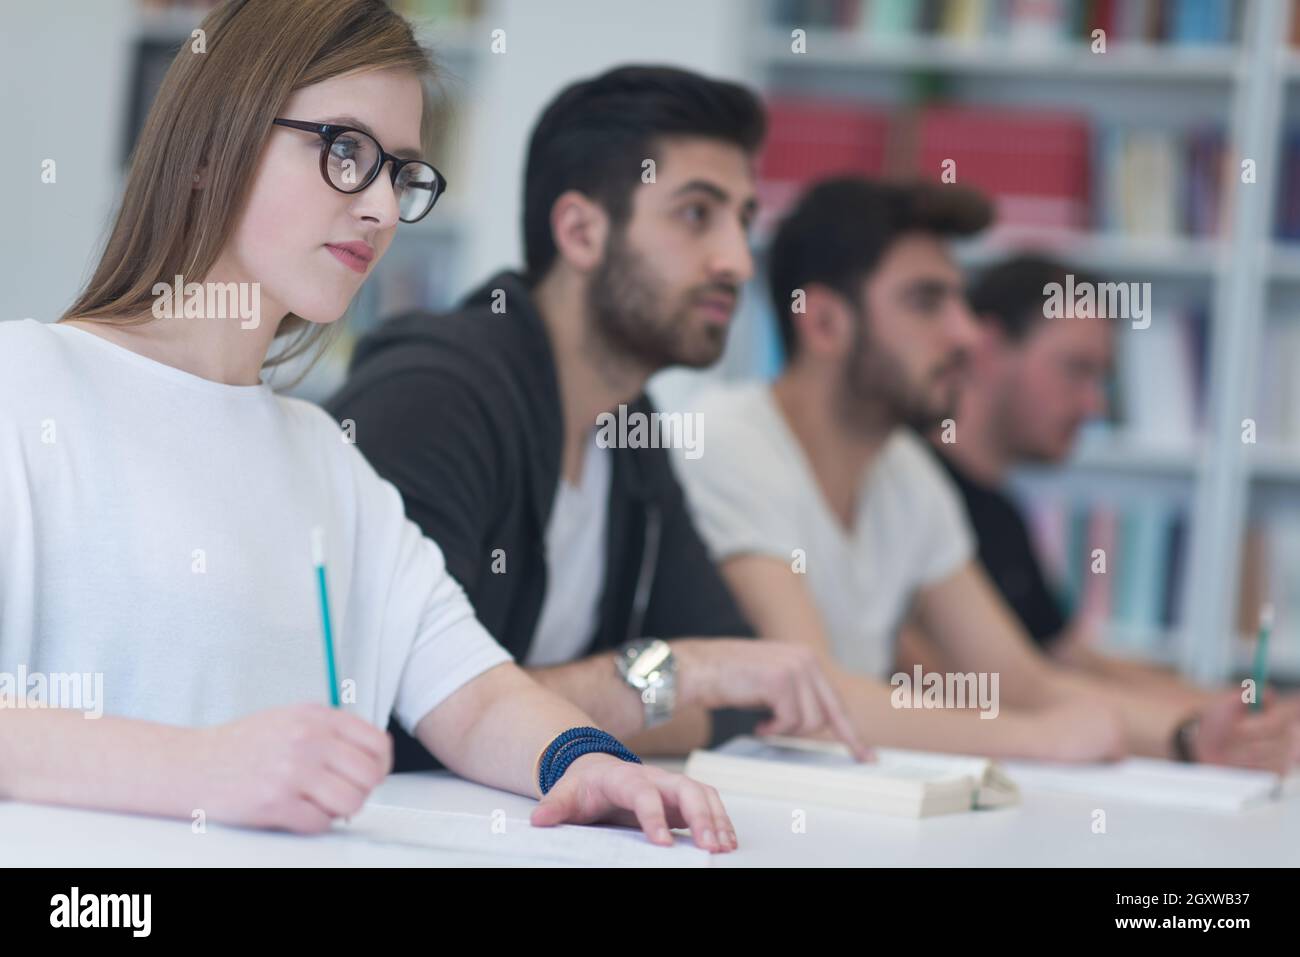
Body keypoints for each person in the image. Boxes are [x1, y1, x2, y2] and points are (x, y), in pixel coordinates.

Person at [0, 0, 739, 853]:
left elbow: (475, 693)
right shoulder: (25, 387)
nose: (383, 208)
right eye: (345, 151)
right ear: (210, 150)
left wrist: (586, 760)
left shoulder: (327, 461)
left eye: (401, 174)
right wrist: (203, 768)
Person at [327, 65, 866, 770]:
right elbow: (396, 707)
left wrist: (657, 683)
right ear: (581, 231)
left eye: (743, 220)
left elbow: (739, 689)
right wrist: (666, 676)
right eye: (696, 214)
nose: (736, 260)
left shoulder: (629, 426)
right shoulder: (436, 396)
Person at [674, 177, 1295, 770]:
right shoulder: (730, 439)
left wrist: (1189, 737)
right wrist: (1039, 740)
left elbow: (1019, 678)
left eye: (959, 300)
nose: (967, 334)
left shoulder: (907, 473)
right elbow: (815, 700)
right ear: (825, 322)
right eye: (926, 301)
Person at [903, 252, 1300, 766]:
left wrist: (1235, 711)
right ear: (990, 346)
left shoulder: (1000, 511)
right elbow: (993, 689)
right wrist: (1190, 732)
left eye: (1101, 378)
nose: (1094, 405)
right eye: (1076, 369)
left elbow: (1065, 660)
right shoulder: (912, 492)